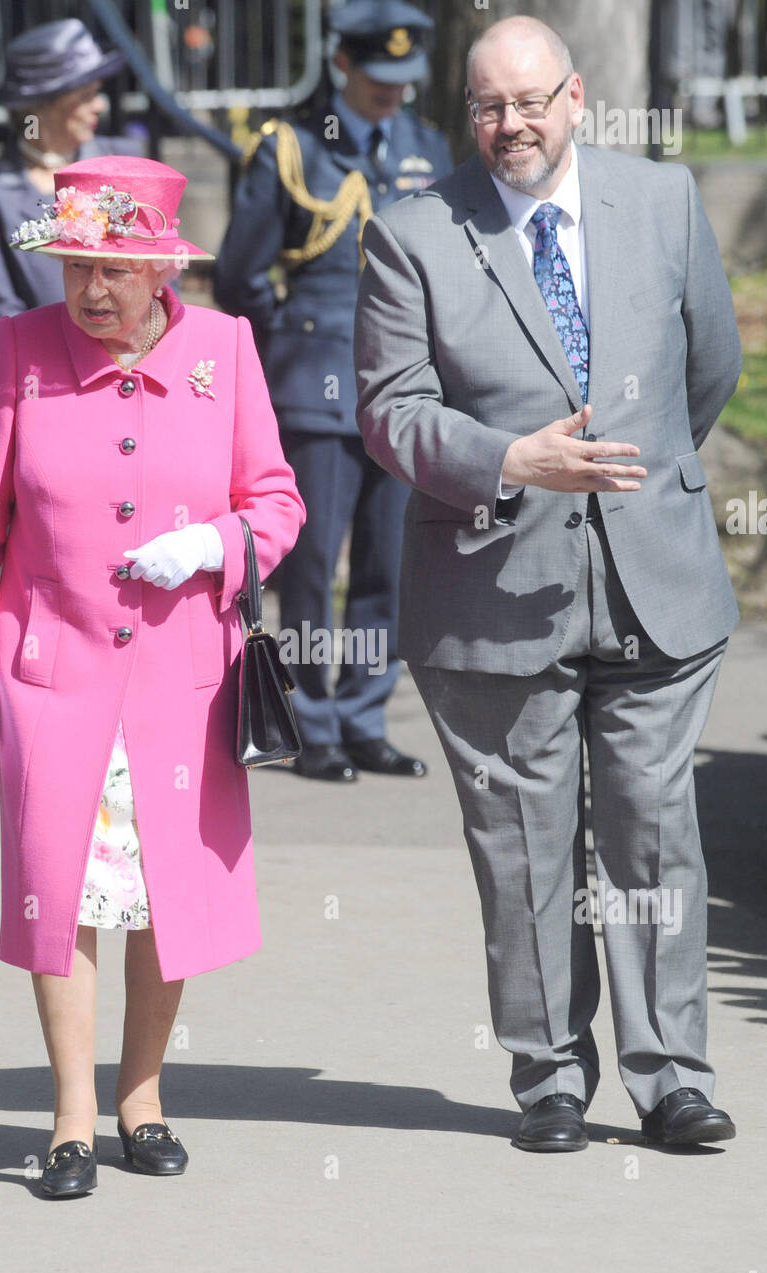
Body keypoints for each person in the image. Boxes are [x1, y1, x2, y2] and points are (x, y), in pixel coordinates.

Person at [354, 15, 742, 1151]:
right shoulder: (413, 233)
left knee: (651, 827)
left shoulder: (662, 204)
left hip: (651, 584)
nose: (509, 125)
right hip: (491, 594)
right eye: (486, 107)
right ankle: (549, 1081)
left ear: (576, 98)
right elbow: (388, 408)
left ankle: (670, 1074)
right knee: (523, 843)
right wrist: (505, 461)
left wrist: (638, 489)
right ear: (461, 114)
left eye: (529, 102)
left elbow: (706, 369)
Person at [0, 156, 304, 1198]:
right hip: (53, 678)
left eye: (112, 267)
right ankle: (68, 1118)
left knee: (162, 898)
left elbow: (277, 503)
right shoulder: (18, 349)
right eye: (74, 267)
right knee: (62, 896)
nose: (91, 289)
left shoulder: (224, 349)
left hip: (182, 683)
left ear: (160, 270)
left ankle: (141, 1097)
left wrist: (212, 546)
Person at [213, 0, 452, 782]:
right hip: (312, 388)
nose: (392, 93)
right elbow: (240, 272)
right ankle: (308, 719)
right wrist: (284, 341)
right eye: (377, 75)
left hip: (403, 388)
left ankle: (363, 715)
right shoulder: (290, 148)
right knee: (309, 566)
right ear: (341, 62)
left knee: (387, 564)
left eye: (402, 77)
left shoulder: (426, 146)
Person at [0, 18, 146, 327]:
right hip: (39, 365)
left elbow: (159, 281)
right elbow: (1, 307)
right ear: (39, 106)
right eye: (84, 96)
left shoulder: (125, 163)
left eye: (97, 92)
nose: (99, 105)